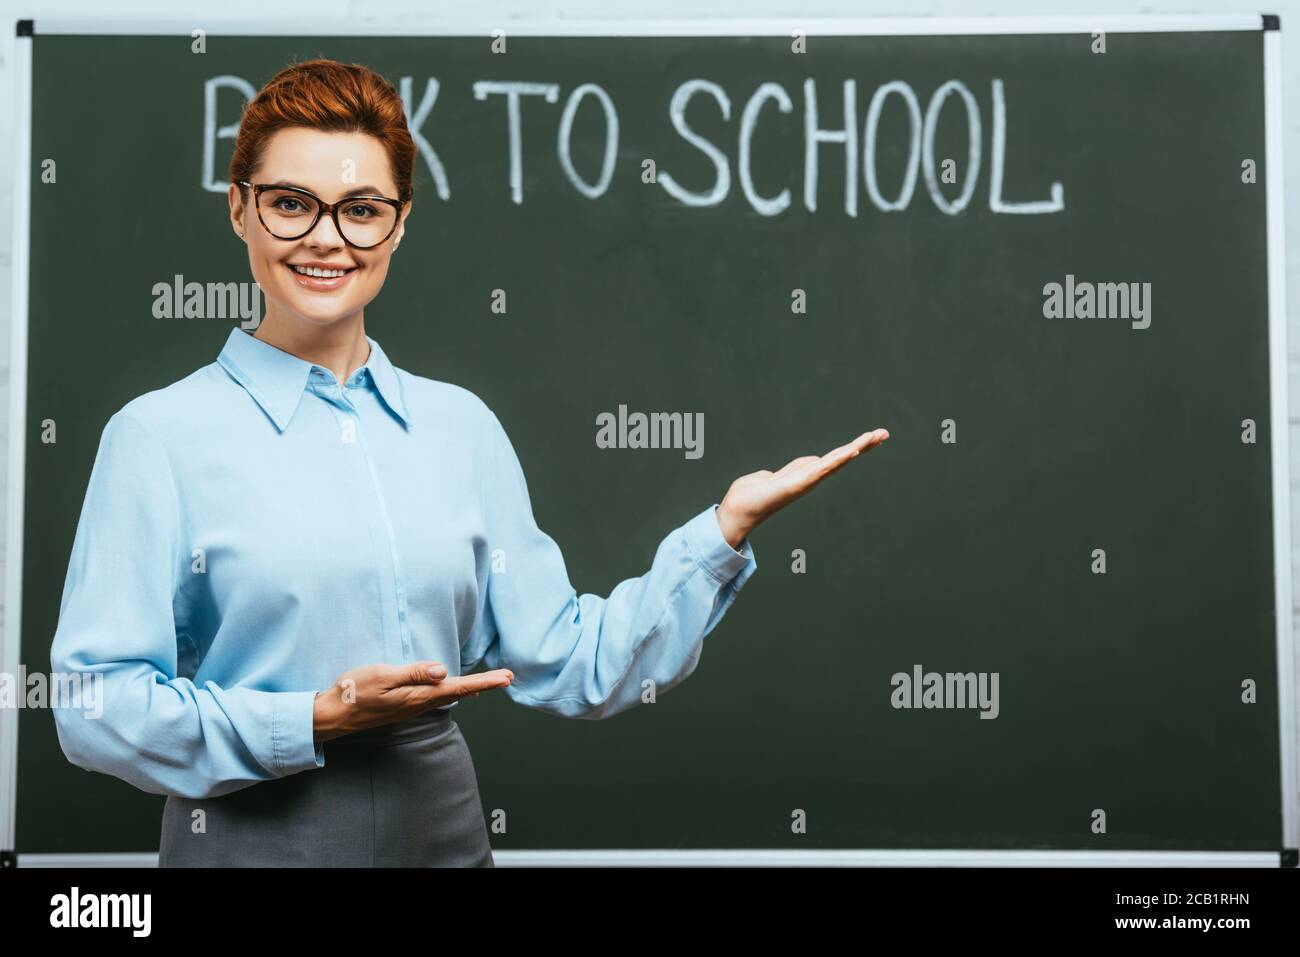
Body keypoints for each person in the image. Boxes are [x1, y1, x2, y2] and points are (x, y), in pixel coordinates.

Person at [48, 58, 890, 867]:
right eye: (290, 203)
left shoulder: (462, 428)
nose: (326, 239)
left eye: (362, 208)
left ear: (400, 221)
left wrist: (722, 530)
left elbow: (570, 661)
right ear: (239, 209)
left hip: (442, 840)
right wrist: (312, 718)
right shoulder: (156, 436)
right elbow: (95, 708)